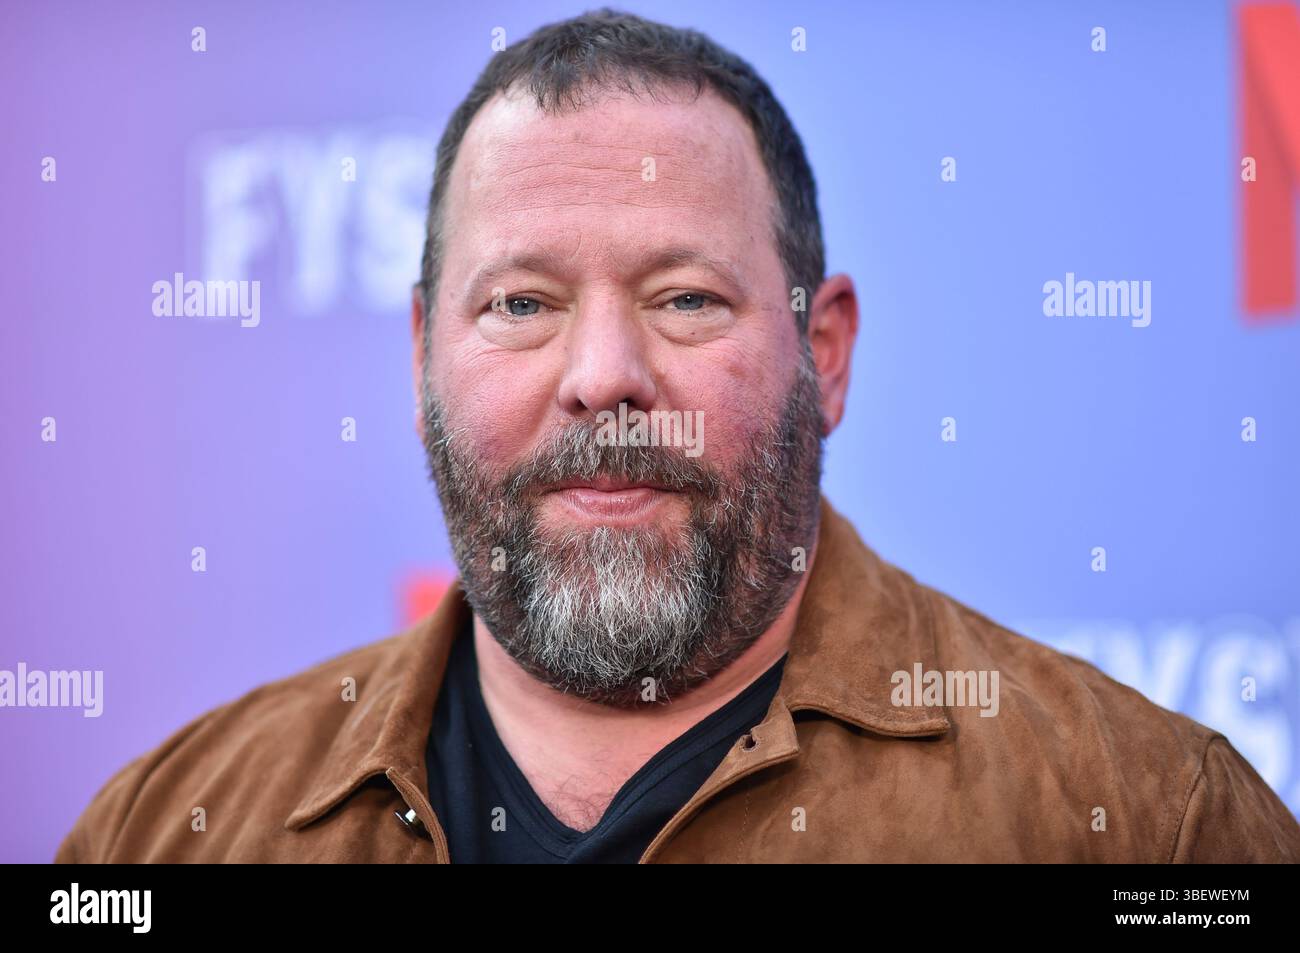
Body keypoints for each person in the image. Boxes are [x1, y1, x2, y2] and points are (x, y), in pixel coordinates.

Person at [55, 8, 1300, 863]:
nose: (603, 377)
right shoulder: (167, 833)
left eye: (685, 298)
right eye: (522, 305)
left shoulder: (1144, 822)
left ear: (824, 353)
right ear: (422, 353)